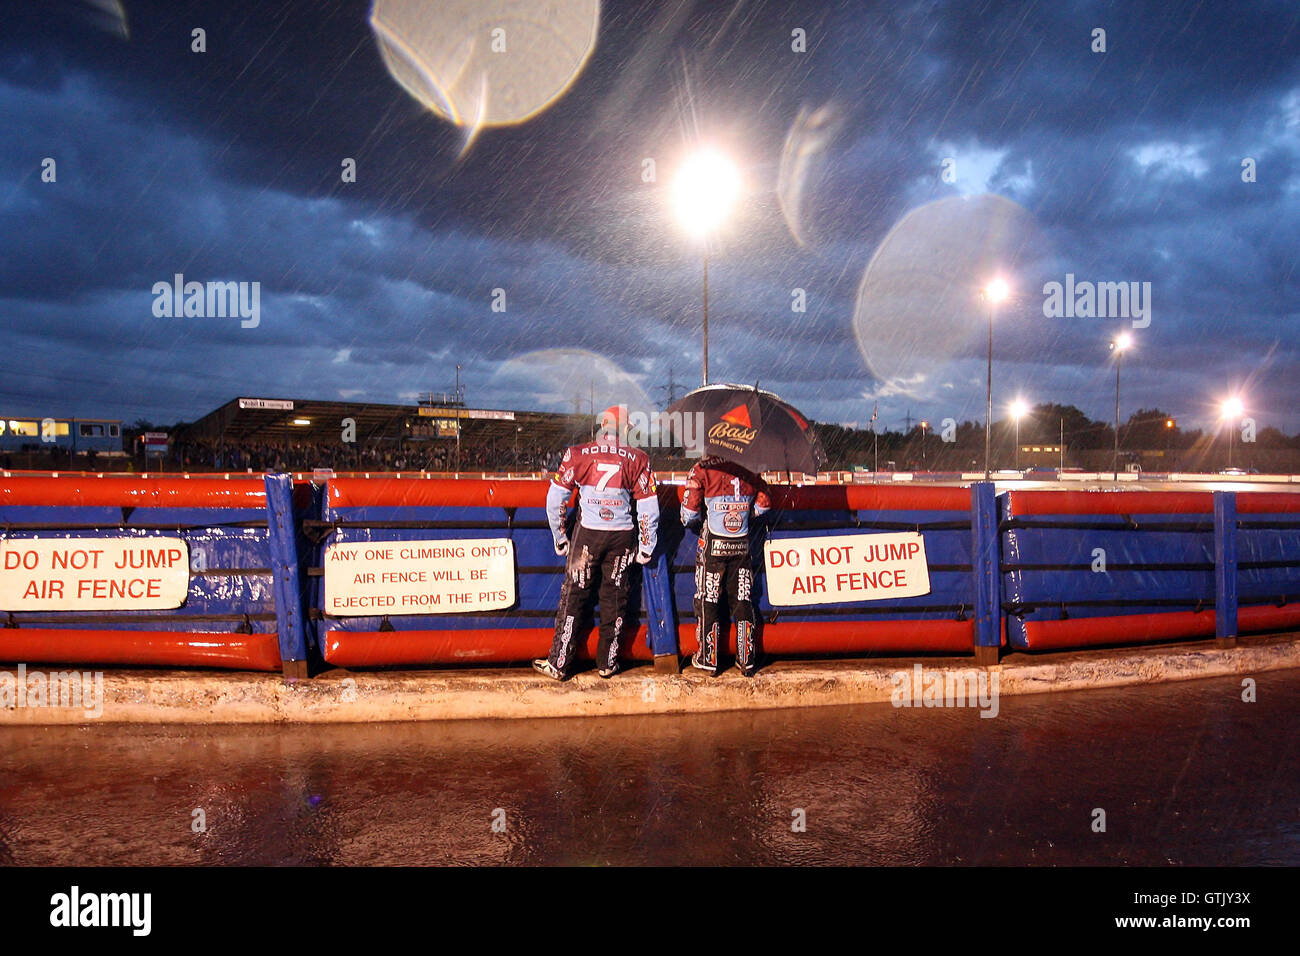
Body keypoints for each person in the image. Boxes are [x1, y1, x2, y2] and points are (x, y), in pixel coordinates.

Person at [534, 406, 659, 681]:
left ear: (601, 425)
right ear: (626, 429)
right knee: (614, 598)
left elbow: (555, 500)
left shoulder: (577, 453)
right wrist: (646, 547)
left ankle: (560, 663)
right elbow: (649, 508)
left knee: (575, 597)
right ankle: (607, 663)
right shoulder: (638, 458)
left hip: (588, 534)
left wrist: (560, 537)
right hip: (622, 535)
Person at [680, 456, 771, 676]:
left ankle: (708, 658)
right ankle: (747, 658)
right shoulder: (752, 466)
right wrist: (746, 513)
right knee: (742, 599)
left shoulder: (702, 468)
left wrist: (691, 516)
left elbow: (690, 513)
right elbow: (763, 504)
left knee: (707, 598)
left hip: (713, 543)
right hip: (742, 542)